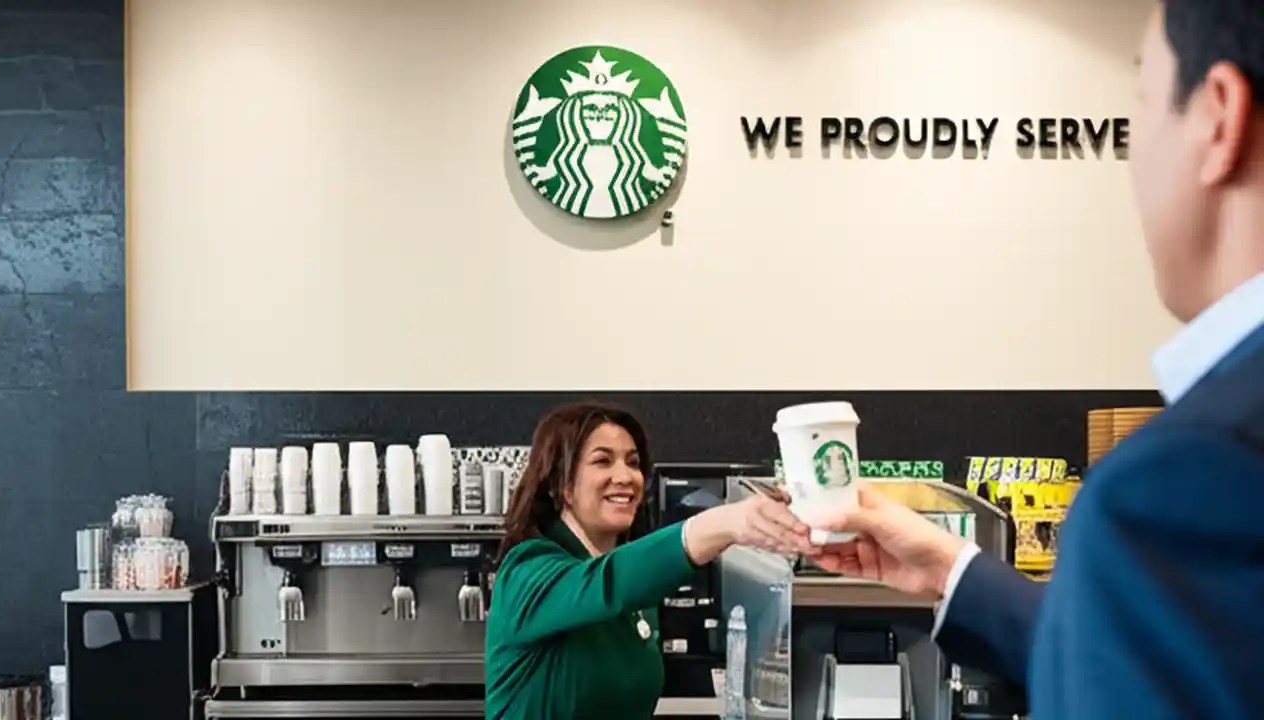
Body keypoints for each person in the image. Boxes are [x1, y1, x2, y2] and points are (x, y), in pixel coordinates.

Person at [814, 2, 1264, 717]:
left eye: (1140, 103)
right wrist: (954, 571)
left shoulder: (1183, 479)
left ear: (1218, 117)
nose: (1132, 156)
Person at [484, 402, 817, 719]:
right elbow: (603, 583)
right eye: (603, 461)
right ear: (562, 485)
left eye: (633, 462)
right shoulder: (526, 572)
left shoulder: (639, 591)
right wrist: (719, 524)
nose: (626, 476)